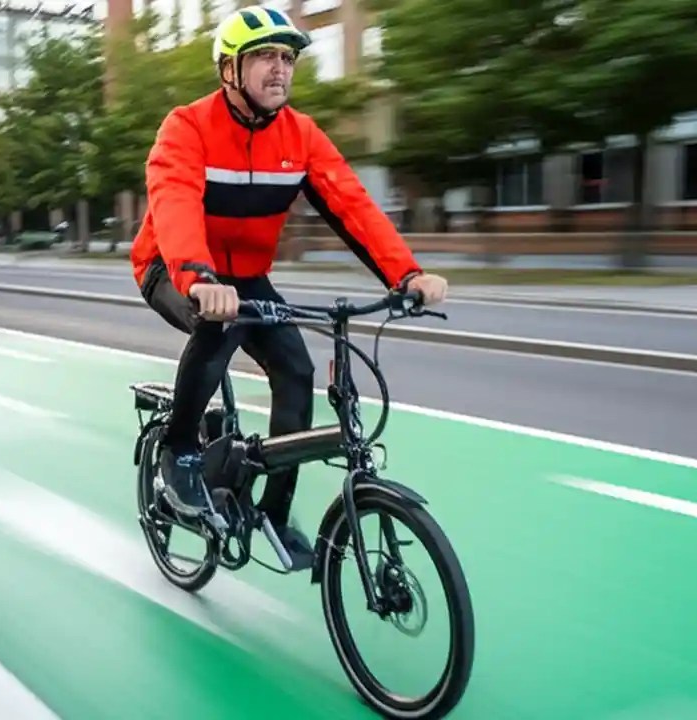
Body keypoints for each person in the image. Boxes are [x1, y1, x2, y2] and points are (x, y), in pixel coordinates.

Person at [130, 4, 447, 570]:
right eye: (264, 58)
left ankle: (274, 513)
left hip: (246, 275)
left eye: (287, 58)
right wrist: (199, 277)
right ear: (230, 69)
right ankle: (179, 450)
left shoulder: (300, 136)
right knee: (218, 323)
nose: (279, 69)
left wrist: (407, 274)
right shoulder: (188, 126)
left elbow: (352, 204)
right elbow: (174, 202)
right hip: (174, 267)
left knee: (297, 369)